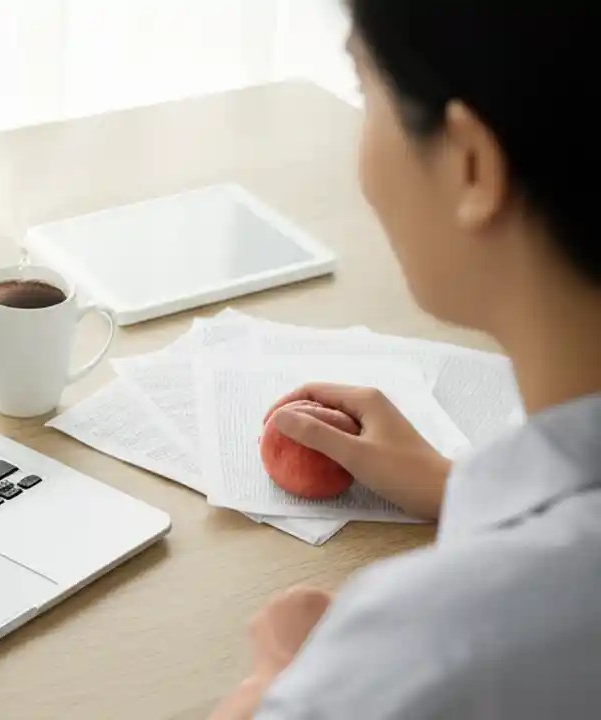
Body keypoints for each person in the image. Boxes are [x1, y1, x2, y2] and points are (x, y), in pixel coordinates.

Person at [210, 2, 601, 717]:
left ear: (471, 165)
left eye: (364, 90)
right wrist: (459, 488)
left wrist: (281, 683)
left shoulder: (431, 649)